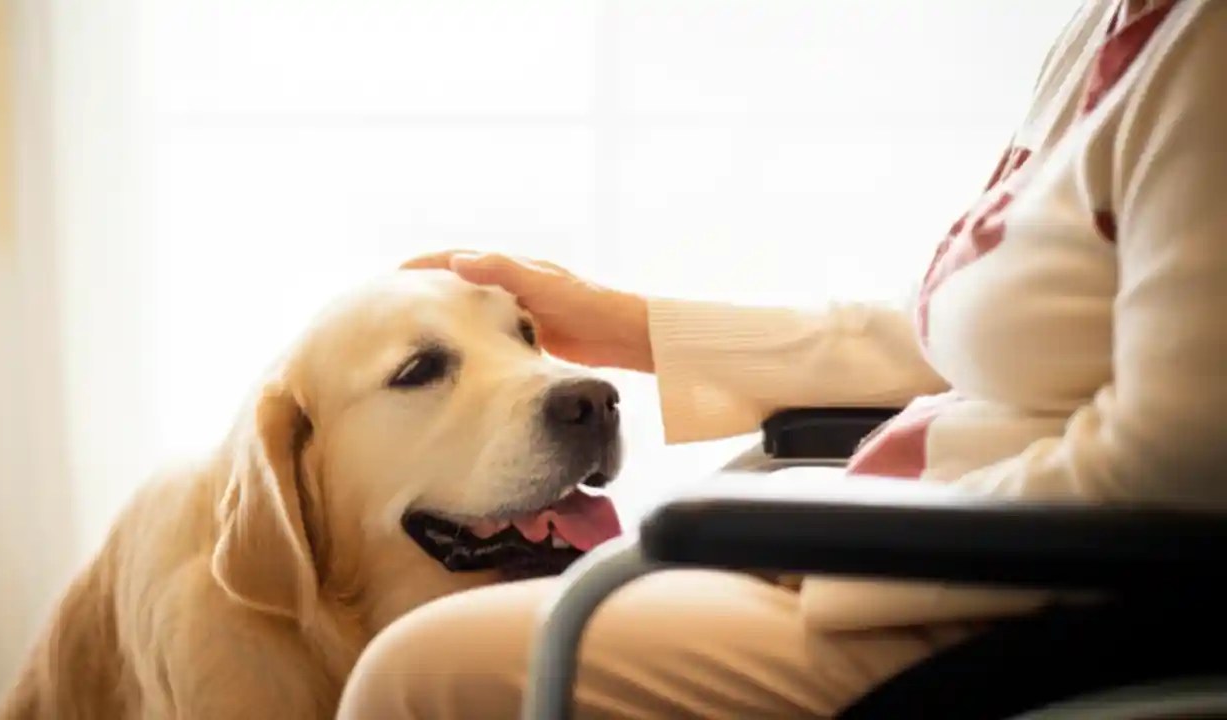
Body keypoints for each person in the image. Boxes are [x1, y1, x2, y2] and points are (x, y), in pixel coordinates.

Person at [337, 1, 1227, 717]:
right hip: (922, 547)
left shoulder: (1205, 46)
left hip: (1026, 607)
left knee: (422, 673)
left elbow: (1177, 470)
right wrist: (628, 326)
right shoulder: (1109, 24)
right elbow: (969, 347)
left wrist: (840, 540)